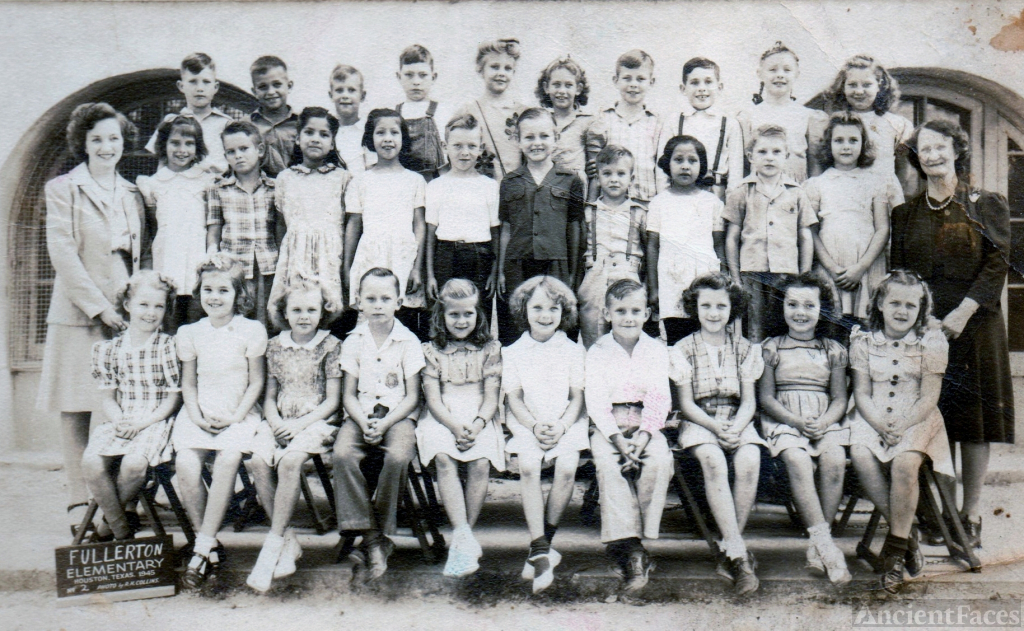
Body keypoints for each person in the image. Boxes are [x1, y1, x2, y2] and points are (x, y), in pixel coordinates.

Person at [890, 120, 1014, 550]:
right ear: (916, 157)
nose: (932, 155)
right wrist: (918, 320)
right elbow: (901, 275)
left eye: (940, 147)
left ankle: (971, 514)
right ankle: (936, 511)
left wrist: (962, 312)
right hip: (925, 331)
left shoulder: (985, 204)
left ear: (956, 151)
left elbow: (997, 264)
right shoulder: (905, 214)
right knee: (930, 419)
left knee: (974, 424)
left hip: (976, 325)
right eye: (924, 149)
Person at [38, 102, 145, 534]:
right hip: (80, 311)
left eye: (113, 138)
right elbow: (62, 252)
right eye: (97, 139)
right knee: (76, 406)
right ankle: (76, 502)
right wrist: (99, 308)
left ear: (124, 143)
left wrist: (130, 308)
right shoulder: (63, 188)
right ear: (82, 143)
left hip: (126, 311)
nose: (106, 147)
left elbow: (138, 254)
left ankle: (114, 503)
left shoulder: (132, 191)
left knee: (118, 406)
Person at [848, 271, 954, 594]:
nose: (902, 311)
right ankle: (906, 537)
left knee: (904, 465)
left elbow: (928, 397)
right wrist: (879, 423)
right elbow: (862, 393)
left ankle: (893, 554)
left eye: (911, 305)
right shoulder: (863, 340)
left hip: (918, 416)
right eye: (895, 302)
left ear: (920, 308)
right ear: (880, 303)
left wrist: (904, 424)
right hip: (873, 414)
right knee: (860, 454)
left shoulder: (932, 342)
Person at [174, 254, 268, 589]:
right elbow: (188, 382)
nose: (214, 297)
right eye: (208, 289)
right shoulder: (189, 332)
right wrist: (197, 415)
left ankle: (200, 549)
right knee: (186, 463)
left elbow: (256, 382)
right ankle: (209, 547)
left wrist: (235, 416)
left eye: (223, 290)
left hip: (238, 411)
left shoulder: (251, 330)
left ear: (238, 294)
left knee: (228, 458)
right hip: (199, 411)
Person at [246, 276, 343, 592]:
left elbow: (332, 401)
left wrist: (298, 426)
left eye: (311, 309)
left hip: (315, 421)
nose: (304, 316)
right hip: (279, 420)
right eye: (297, 309)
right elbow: (270, 395)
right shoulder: (275, 346)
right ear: (284, 313)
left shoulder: (330, 345)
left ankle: (273, 543)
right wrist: (274, 422)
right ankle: (288, 538)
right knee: (257, 461)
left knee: (289, 463)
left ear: (322, 311)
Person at [670, 272, 764, 595]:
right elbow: (685, 404)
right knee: (713, 461)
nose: (713, 313)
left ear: (732, 309)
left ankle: (730, 549)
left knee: (750, 458)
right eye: (706, 305)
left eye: (721, 306)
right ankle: (739, 554)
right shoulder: (683, 349)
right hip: (700, 420)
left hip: (736, 418)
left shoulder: (745, 348)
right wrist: (716, 428)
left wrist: (736, 427)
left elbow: (749, 401)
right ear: (694, 308)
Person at [758, 273, 851, 585]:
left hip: (823, 417)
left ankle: (816, 546)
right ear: (781, 308)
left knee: (835, 459)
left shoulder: (833, 350)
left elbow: (839, 398)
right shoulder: (771, 348)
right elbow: (766, 397)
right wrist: (795, 422)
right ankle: (826, 546)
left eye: (809, 305)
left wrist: (825, 421)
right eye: (792, 304)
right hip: (784, 418)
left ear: (822, 309)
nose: (800, 312)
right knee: (797, 459)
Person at [333, 268, 425, 582]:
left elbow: (413, 397)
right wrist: (363, 421)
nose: (378, 305)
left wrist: (386, 422)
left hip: (397, 416)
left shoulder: (408, 341)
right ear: (359, 302)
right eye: (370, 298)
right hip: (360, 415)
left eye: (385, 298)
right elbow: (347, 394)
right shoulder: (353, 341)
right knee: (343, 454)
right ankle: (374, 538)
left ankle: (379, 533)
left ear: (399, 302)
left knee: (398, 457)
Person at [585, 279, 674, 594]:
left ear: (647, 313)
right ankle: (631, 549)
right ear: (608, 313)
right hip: (609, 422)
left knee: (659, 461)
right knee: (609, 467)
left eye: (635, 311)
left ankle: (638, 537)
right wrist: (618, 440)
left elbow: (660, 398)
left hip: (645, 420)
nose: (628, 318)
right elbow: (595, 401)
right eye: (620, 311)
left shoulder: (655, 350)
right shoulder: (598, 351)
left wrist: (646, 434)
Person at [503, 276, 588, 593]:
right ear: (524, 310)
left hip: (566, 419)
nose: (545, 315)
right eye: (537, 307)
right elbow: (514, 398)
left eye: (553, 308)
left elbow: (577, 397)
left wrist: (563, 425)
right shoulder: (512, 351)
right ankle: (540, 550)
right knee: (528, 465)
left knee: (567, 467)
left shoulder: (571, 349)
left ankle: (541, 546)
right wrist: (534, 425)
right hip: (528, 421)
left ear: (562, 311)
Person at [82, 271, 180, 542]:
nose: (151, 313)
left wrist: (141, 424)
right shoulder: (109, 350)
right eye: (144, 305)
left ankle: (105, 528)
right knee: (91, 463)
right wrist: (120, 421)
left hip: (155, 420)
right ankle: (123, 532)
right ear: (127, 305)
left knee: (134, 465)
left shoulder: (167, 347)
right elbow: (108, 399)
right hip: (122, 418)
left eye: (159, 306)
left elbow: (172, 400)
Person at [416, 279, 503, 577]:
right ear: (442, 315)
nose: (461, 320)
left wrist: (477, 426)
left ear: (477, 313)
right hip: (444, 415)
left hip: (480, 413)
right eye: (454, 314)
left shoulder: (490, 348)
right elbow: (433, 399)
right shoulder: (431, 350)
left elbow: (491, 397)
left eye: (468, 313)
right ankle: (463, 537)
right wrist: (454, 426)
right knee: (443, 457)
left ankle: (463, 538)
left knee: (480, 462)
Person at [496, 107, 585, 345]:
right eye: (529, 137)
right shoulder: (510, 181)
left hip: (555, 264)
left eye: (544, 136)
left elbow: (574, 228)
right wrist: (502, 270)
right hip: (518, 264)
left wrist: (573, 272)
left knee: (557, 323)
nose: (537, 143)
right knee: (517, 325)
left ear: (556, 137)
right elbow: (505, 228)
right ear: (518, 141)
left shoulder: (570, 180)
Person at [723, 124, 816, 341]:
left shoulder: (796, 193)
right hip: (751, 272)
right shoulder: (741, 192)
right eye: (762, 152)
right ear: (750, 156)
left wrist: (804, 276)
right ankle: (755, 370)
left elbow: (805, 237)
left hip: (786, 273)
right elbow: (731, 238)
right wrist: (735, 277)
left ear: (786, 156)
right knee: (754, 327)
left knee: (783, 324)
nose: (769, 158)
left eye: (776, 152)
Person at [344, 109, 428, 337]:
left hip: (403, 256)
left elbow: (419, 225)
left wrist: (416, 267)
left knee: (404, 320)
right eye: (380, 132)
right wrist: (348, 267)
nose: (388, 138)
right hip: (371, 255)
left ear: (403, 138)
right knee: (371, 318)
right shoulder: (360, 181)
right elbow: (353, 225)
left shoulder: (415, 180)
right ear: (370, 138)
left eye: (394, 132)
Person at [807, 112, 890, 332]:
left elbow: (883, 229)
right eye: (839, 140)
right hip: (832, 264)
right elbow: (811, 231)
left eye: (853, 140)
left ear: (863, 144)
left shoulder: (875, 182)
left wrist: (861, 267)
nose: (846, 147)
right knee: (832, 325)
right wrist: (832, 268)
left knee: (866, 327)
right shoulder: (817, 184)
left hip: (866, 264)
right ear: (829, 144)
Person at [646, 135, 725, 345]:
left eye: (692, 161)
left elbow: (718, 245)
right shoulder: (659, 202)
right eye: (678, 160)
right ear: (667, 164)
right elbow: (652, 246)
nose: (685, 166)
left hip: (704, 280)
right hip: (671, 282)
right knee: (676, 338)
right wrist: (654, 289)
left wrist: (722, 281)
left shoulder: (711, 202)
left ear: (702, 165)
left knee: (706, 335)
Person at [138, 115, 214, 332]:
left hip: (197, 262)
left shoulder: (206, 181)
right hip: (166, 262)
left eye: (189, 144)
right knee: (169, 324)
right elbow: (152, 228)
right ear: (163, 145)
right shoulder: (153, 184)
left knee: (197, 323)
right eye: (175, 143)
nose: (182, 150)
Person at [271, 107, 351, 310]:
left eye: (323, 135)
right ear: (297, 138)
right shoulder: (285, 178)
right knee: (297, 304)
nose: (315, 139)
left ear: (332, 144)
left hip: (331, 255)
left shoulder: (342, 178)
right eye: (309, 132)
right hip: (295, 255)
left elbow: (350, 222)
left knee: (329, 306)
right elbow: (281, 224)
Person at [206, 121, 281, 328]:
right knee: (236, 322)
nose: (238, 155)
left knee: (266, 323)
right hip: (233, 268)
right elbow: (214, 228)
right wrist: (213, 254)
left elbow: (280, 229)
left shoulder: (275, 187)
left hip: (267, 267)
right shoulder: (218, 188)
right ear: (225, 157)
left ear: (259, 150)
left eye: (244, 149)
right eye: (231, 151)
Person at [425, 114, 500, 302]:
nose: (464, 152)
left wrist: (495, 271)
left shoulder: (490, 186)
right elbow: (430, 234)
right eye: (457, 146)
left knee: (477, 313)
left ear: (481, 148)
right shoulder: (436, 185)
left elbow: (495, 232)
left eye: (472, 146)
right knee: (445, 313)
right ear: (445, 147)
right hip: (446, 256)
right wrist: (431, 275)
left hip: (480, 257)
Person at [577, 145, 647, 348]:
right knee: (594, 335)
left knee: (627, 330)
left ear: (631, 179)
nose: (614, 179)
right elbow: (580, 247)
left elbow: (649, 249)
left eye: (620, 174)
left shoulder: (639, 212)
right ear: (597, 178)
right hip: (595, 276)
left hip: (628, 273)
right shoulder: (589, 212)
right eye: (607, 174)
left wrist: (647, 284)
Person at [824, 54, 912, 208]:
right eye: (852, 85)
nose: (859, 91)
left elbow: (903, 169)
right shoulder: (835, 123)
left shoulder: (896, 124)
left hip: (885, 196)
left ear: (879, 86)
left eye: (866, 85)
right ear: (842, 87)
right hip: (846, 195)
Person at [737, 42, 827, 183]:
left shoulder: (808, 116)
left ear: (797, 74)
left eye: (787, 70)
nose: (780, 75)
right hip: (760, 190)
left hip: (797, 190)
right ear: (760, 73)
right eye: (772, 70)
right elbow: (743, 165)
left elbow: (815, 166)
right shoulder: (748, 116)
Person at [585, 49, 666, 204]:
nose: (633, 85)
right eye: (627, 78)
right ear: (616, 80)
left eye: (640, 79)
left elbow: (660, 168)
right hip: (611, 202)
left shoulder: (656, 122)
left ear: (651, 81)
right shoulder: (603, 118)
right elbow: (596, 168)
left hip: (646, 201)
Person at [667, 57, 744, 202]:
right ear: (683, 89)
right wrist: (666, 199)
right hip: (679, 195)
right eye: (694, 83)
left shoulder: (729, 124)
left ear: (719, 87)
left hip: (717, 193)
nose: (702, 88)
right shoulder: (674, 122)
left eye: (708, 82)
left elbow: (735, 174)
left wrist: (731, 208)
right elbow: (662, 168)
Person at [145, 53, 233, 173]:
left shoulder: (226, 124)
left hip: (216, 187)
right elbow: (162, 164)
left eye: (206, 82)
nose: (199, 88)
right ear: (181, 86)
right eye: (193, 81)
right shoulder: (170, 123)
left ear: (215, 87)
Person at [452, 38, 525, 180]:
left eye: (507, 68)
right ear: (481, 70)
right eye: (495, 66)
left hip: (517, 193)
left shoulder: (523, 113)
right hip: (478, 190)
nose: (501, 73)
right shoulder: (467, 111)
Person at [536, 55, 593, 197]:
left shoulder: (587, 122)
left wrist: (590, 205)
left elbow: (594, 170)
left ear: (578, 89)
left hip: (574, 193)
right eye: (556, 84)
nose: (562, 91)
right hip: (546, 191)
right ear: (546, 87)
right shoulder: (540, 121)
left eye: (568, 85)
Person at [395, 44, 453, 182]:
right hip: (403, 182)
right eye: (409, 75)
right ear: (399, 77)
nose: (416, 82)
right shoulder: (394, 114)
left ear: (433, 77)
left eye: (423, 75)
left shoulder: (443, 112)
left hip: (435, 182)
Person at [246, 55, 299, 177]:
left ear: (289, 86)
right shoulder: (246, 125)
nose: (270, 92)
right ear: (254, 92)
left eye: (277, 84)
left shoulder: (302, 123)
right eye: (263, 87)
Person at [330, 64, 377, 175]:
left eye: (351, 90)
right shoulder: (328, 130)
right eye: (339, 90)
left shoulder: (368, 130)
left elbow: (373, 168)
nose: (345, 95)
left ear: (362, 95)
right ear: (330, 95)